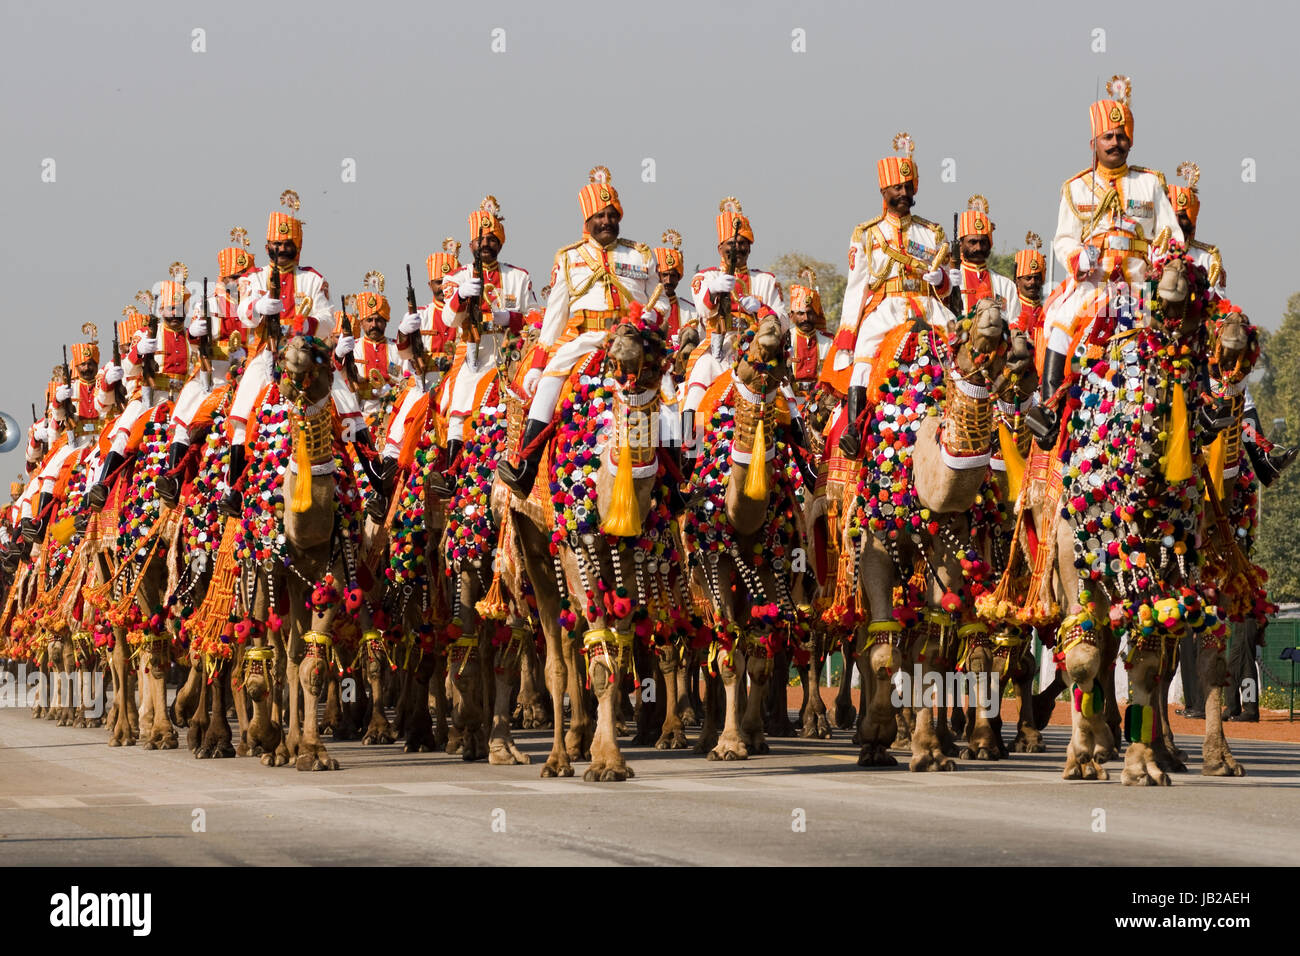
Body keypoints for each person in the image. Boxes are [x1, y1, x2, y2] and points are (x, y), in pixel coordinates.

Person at [1028, 75, 1183, 448]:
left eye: (1121, 136)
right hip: (1092, 283)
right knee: (1061, 321)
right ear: (1094, 143)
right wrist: (1078, 257)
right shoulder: (1076, 187)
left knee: (1183, 339)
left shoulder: (1150, 183)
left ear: (1131, 139)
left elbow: (1171, 235)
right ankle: (1048, 409)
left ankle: (1202, 413)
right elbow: (1063, 237)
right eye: (1108, 137)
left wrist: (1163, 266)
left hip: (1140, 284)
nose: (1115, 143)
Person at [498, 166, 666, 498]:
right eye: (600, 216)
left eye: (612, 215)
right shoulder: (569, 257)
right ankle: (526, 468)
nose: (607, 221)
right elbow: (555, 318)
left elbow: (661, 305)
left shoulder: (641, 254)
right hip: (586, 341)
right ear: (587, 221)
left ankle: (678, 478)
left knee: (672, 394)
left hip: (635, 342)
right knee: (549, 384)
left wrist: (650, 315)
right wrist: (537, 363)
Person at [826, 132, 954, 459]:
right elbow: (857, 289)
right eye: (897, 188)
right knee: (866, 350)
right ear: (884, 191)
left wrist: (940, 279)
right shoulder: (868, 234)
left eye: (908, 187)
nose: (903, 193)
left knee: (960, 344)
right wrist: (847, 336)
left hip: (927, 306)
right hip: (888, 307)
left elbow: (946, 290)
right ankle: (854, 428)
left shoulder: (932, 232)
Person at [223, 189, 333, 515]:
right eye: (277, 244)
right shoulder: (254, 278)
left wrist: (305, 324)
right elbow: (243, 312)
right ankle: (235, 491)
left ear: (297, 247)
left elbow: (327, 320)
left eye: (288, 245)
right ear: (267, 246)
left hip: (306, 358)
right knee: (243, 410)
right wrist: (259, 306)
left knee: (344, 404)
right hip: (266, 354)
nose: (282, 250)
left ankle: (370, 482)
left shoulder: (313, 280)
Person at [429, 195, 532, 492]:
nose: (485, 243)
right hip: (474, 354)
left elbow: (535, 316)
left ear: (500, 242)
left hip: (510, 355)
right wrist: (461, 295)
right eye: (480, 239)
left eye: (491, 238)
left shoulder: (519, 277)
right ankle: (451, 470)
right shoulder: (456, 276)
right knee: (461, 396)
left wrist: (506, 317)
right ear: (471, 243)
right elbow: (449, 319)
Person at [682, 198, 786, 464]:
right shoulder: (703, 277)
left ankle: (800, 457)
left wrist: (761, 309)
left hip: (757, 351)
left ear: (750, 248)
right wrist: (714, 290)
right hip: (718, 347)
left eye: (742, 244)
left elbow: (784, 322)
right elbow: (703, 312)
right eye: (731, 243)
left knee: (790, 398)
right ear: (720, 247)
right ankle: (686, 450)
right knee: (696, 387)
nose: (736, 248)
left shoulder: (766, 280)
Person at [155, 230, 256, 504]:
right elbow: (196, 342)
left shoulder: (255, 306)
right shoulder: (210, 304)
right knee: (184, 420)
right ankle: (173, 479)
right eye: (233, 277)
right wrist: (195, 333)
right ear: (223, 279)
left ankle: (237, 488)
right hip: (213, 379)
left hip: (248, 380)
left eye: (242, 276)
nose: (238, 282)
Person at [950, 195, 1017, 321]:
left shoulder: (1006, 285)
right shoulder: (951, 280)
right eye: (972, 242)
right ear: (961, 244)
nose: (978, 248)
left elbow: (1016, 326)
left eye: (983, 242)